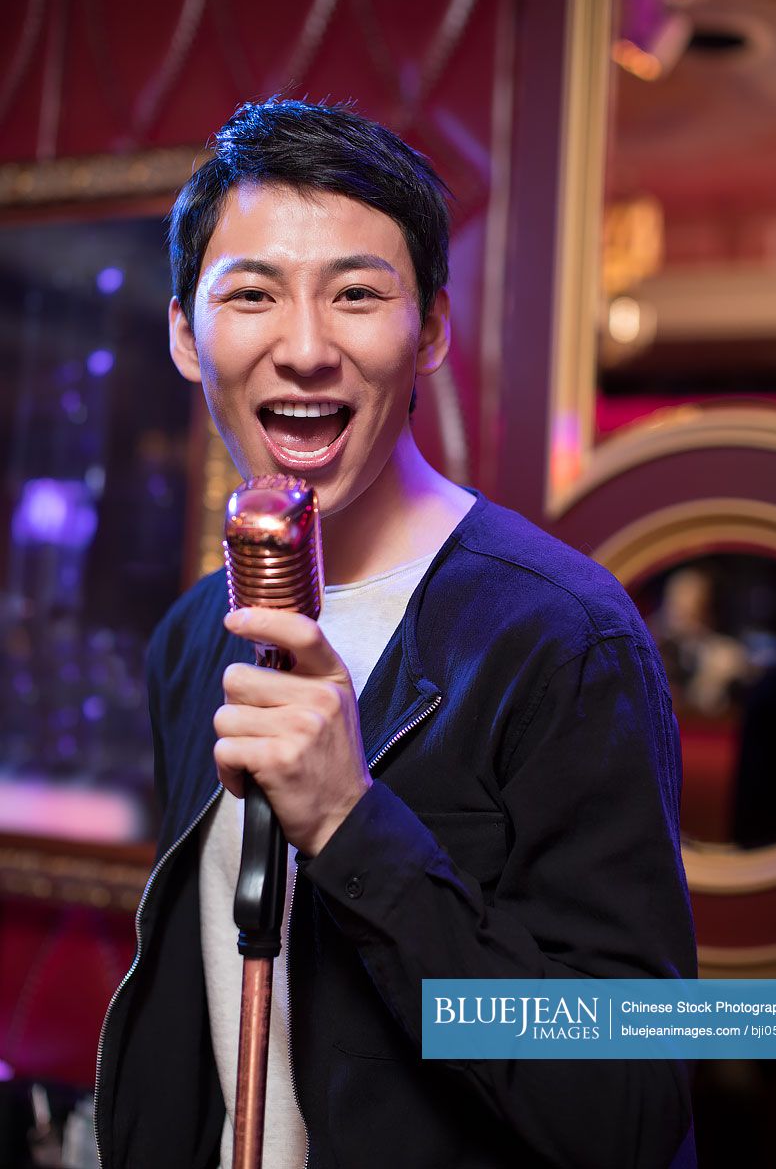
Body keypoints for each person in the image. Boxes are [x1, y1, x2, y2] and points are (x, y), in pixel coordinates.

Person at [93, 98, 698, 1169]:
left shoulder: (560, 637)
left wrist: (353, 828)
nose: (308, 347)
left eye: (359, 294)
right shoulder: (193, 638)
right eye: (254, 294)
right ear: (188, 334)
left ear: (430, 331)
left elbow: (629, 1108)